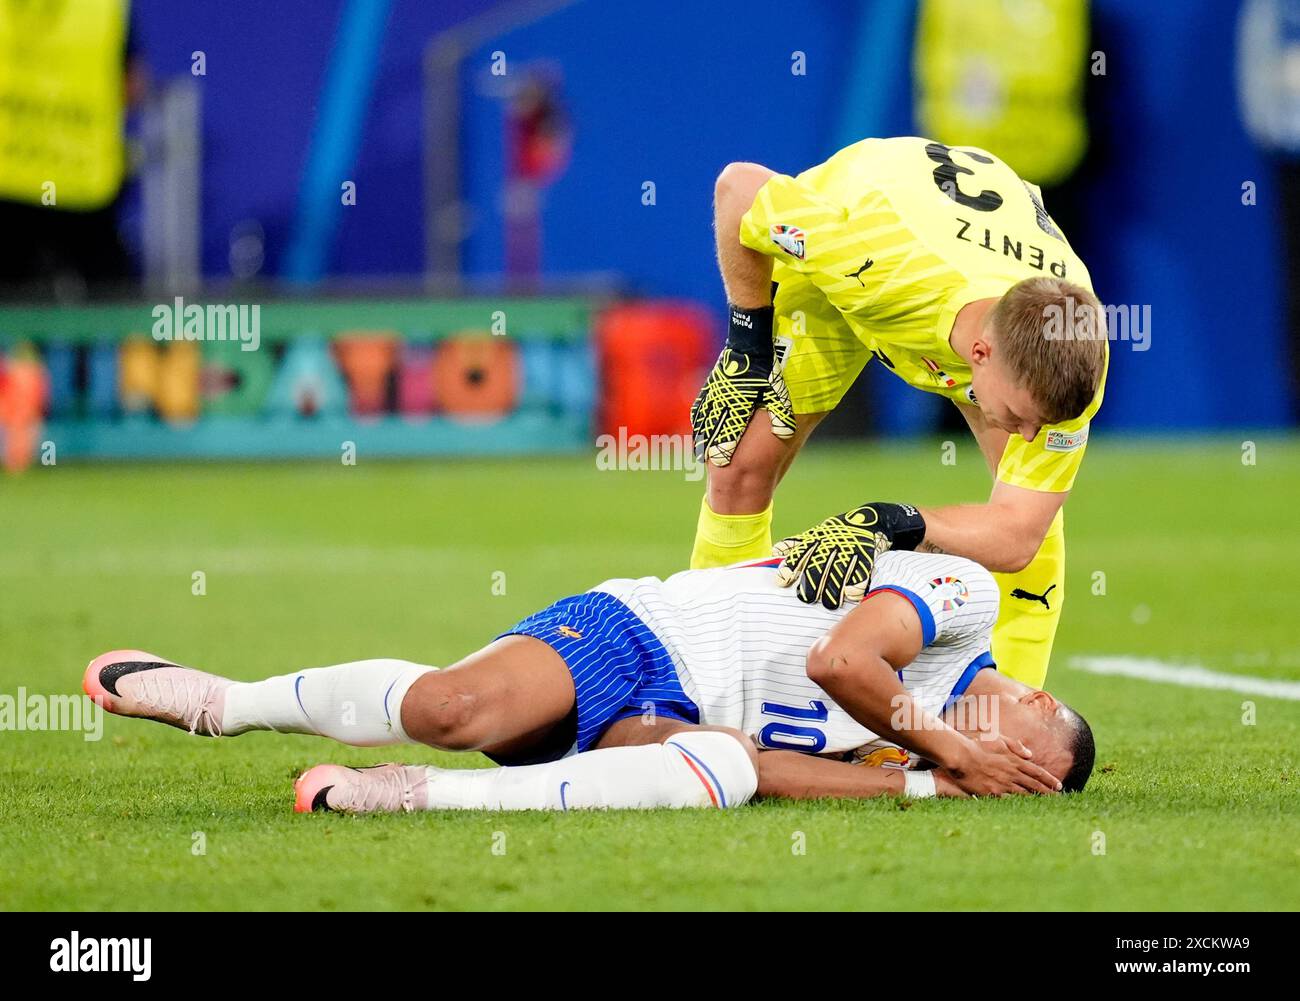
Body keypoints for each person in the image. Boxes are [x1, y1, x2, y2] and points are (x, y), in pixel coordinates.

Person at [83, 550, 1094, 815]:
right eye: (1020, 745)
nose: (1000, 756)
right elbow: (842, 658)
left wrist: (927, 781)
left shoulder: (903, 749)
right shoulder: (965, 599)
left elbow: (767, 769)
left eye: (1016, 775)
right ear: (1036, 700)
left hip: (665, 730)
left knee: (729, 769)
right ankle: (227, 702)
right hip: (638, 633)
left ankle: (414, 796)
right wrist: (952, 752)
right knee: (450, 706)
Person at [688, 135, 1109, 690]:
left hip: (963, 275)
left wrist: (895, 523)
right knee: (738, 462)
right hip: (862, 271)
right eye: (1022, 415)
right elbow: (739, 187)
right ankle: (710, 676)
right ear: (979, 354)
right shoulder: (868, 260)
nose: (1032, 433)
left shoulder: (1073, 347)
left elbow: (1016, 536)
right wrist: (746, 346)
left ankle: (1011, 706)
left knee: (1031, 519)